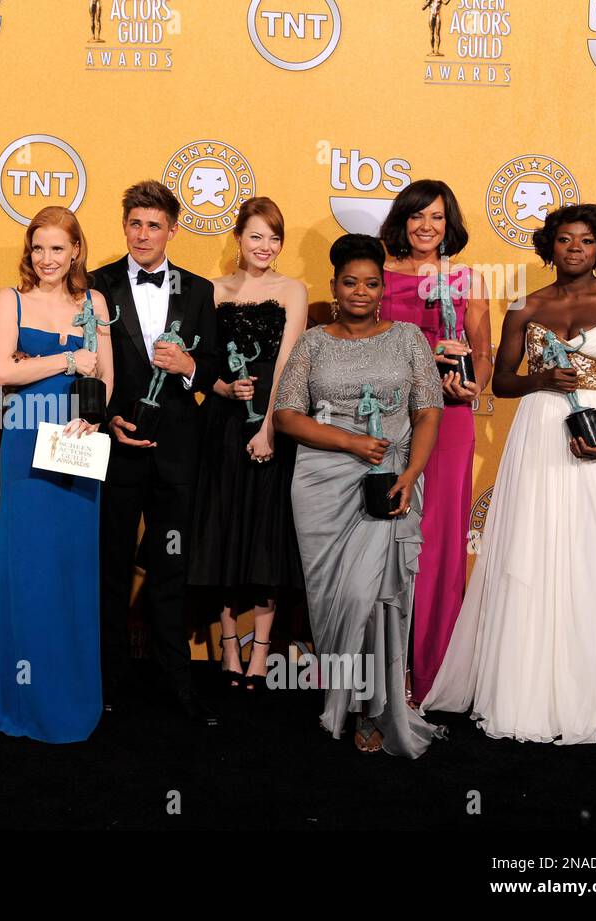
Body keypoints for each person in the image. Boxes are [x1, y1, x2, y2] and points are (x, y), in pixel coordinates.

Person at [422, 204, 596, 744]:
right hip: (539, 433)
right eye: (565, 239)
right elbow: (500, 383)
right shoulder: (526, 306)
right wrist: (541, 378)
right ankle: (520, 695)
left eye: (587, 241)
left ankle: (574, 696)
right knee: (531, 554)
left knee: (588, 559)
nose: (575, 248)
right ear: (550, 246)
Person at [273, 233, 445, 756]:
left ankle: (376, 707)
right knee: (333, 600)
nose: (361, 292)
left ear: (383, 288)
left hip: (389, 479)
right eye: (350, 282)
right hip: (322, 482)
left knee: (374, 600)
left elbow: (427, 410)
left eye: (372, 283)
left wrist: (411, 474)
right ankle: (342, 698)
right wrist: (350, 441)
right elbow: (285, 416)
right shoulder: (313, 341)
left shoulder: (410, 339)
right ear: (335, 286)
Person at [0, 206, 113, 744]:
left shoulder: (96, 303)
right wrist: (65, 360)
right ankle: (18, 698)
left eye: (58, 248)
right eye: (38, 248)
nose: (47, 259)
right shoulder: (9, 300)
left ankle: (68, 696)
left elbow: (107, 375)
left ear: (76, 251)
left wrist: (95, 415)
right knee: (25, 564)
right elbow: (2, 371)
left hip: (78, 445)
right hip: (26, 441)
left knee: (70, 566)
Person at [90, 180, 221, 726]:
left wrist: (187, 367)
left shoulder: (198, 289)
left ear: (172, 229)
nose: (143, 234)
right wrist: (107, 418)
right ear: (124, 226)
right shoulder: (94, 285)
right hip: (116, 448)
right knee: (111, 568)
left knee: (170, 568)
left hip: (176, 453)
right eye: (135, 224)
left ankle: (176, 682)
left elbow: (213, 365)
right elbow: (86, 363)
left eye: (154, 225)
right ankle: (106, 682)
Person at [379, 179, 492, 706]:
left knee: (439, 542)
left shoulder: (468, 279)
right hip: (388, 418)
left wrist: (471, 383)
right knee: (382, 540)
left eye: (438, 218)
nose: (427, 226)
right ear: (402, 220)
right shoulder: (375, 278)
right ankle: (385, 671)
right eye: (418, 215)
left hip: (448, 420)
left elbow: (483, 356)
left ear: (451, 225)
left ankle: (433, 675)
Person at [188, 197, 308, 692]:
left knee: (264, 533)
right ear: (238, 237)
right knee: (220, 531)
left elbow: (288, 364)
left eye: (274, 238)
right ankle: (229, 647)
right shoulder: (211, 291)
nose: (266, 246)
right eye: (256, 236)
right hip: (218, 422)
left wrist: (268, 428)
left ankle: (261, 651)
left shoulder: (293, 291)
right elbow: (204, 362)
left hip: (269, 418)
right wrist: (220, 389)